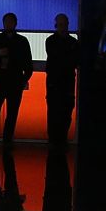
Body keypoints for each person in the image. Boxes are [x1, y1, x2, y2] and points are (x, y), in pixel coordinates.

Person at [0, 12, 33, 148]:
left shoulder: (21, 41)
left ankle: (5, 142)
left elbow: (28, 64)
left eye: (10, 22)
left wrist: (23, 79)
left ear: (15, 24)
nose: (8, 24)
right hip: (1, 81)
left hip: (13, 82)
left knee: (10, 113)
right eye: (6, 22)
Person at [44, 13, 80, 146]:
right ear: (56, 25)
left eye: (64, 24)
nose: (63, 27)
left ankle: (62, 139)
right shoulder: (51, 41)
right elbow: (61, 59)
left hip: (67, 82)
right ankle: (53, 141)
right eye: (60, 24)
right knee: (53, 112)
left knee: (66, 112)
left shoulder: (73, 42)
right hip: (54, 83)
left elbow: (74, 60)